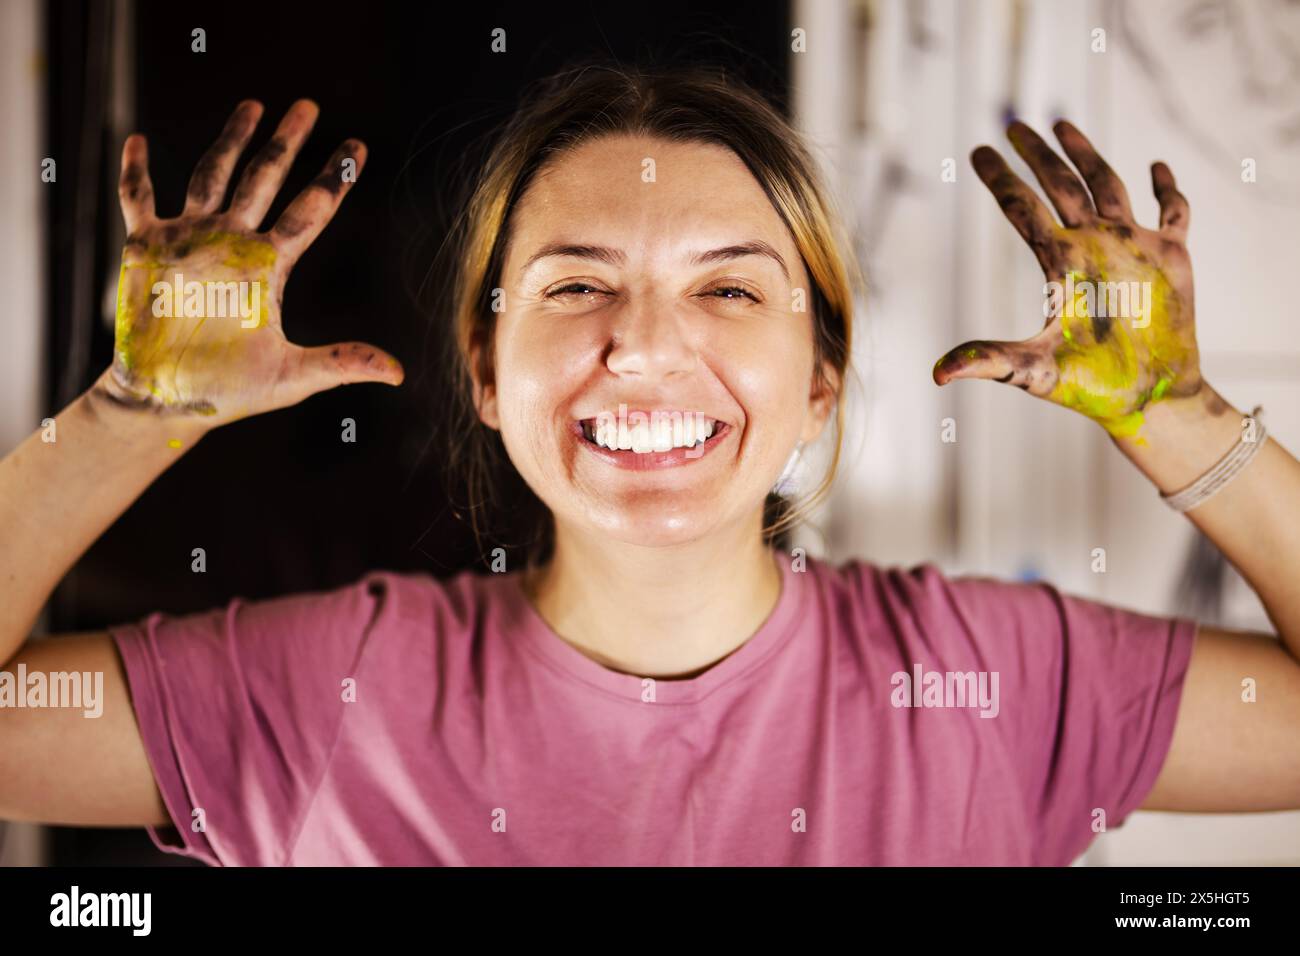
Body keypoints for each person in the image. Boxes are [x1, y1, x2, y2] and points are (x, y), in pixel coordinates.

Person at [2, 64, 1298, 866]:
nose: (643, 346)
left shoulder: (998, 687)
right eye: (575, 286)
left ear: (820, 382)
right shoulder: (322, 697)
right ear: (488, 372)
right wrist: (128, 412)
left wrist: (1173, 410)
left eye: (731, 291)